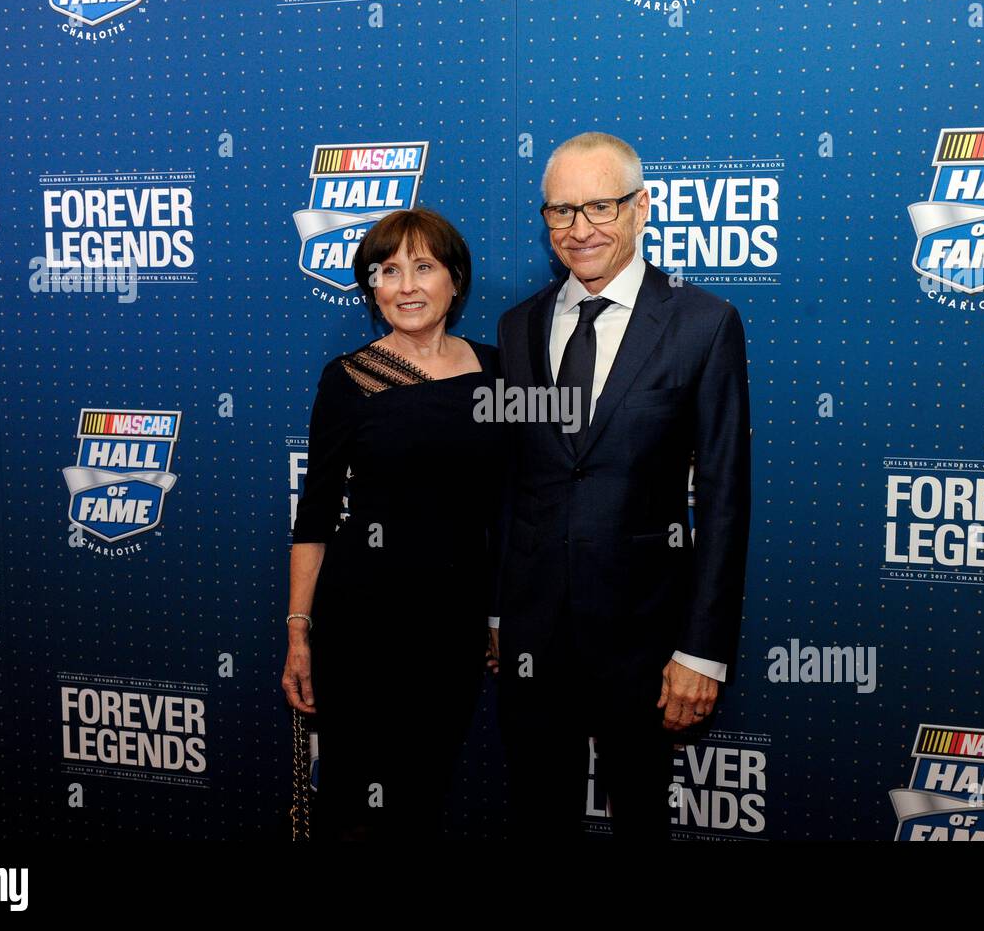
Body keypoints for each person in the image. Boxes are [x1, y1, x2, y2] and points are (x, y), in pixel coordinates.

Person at [492, 132, 752, 840]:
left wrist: (700, 651)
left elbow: (726, 498)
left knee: (640, 823)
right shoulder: (518, 327)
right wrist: (497, 613)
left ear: (642, 207)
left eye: (600, 206)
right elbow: (518, 480)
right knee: (536, 820)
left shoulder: (704, 323)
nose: (580, 230)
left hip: (647, 641)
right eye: (560, 211)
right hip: (532, 637)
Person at [282, 208, 501, 840]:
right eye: (388, 270)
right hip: (364, 622)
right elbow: (315, 515)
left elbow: (516, 501)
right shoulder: (350, 378)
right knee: (354, 796)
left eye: (424, 267)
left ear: (455, 281)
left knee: (421, 796)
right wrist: (300, 631)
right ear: (371, 288)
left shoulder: (498, 372)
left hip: (454, 624)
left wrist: (496, 614)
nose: (406, 285)